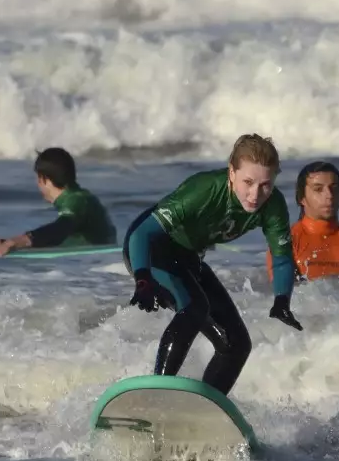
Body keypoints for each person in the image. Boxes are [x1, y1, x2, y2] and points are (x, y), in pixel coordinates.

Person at [123, 133, 303, 396]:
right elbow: (142, 234)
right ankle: (157, 395)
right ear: (232, 173)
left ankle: (205, 409)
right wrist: (143, 278)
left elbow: (283, 257)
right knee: (195, 308)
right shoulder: (204, 189)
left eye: (265, 185)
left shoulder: (273, 205)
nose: (255, 194)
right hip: (151, 249)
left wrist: (282, 300)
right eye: (248, 182)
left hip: (188, 257)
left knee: (236, 344)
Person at [0, 147, 117, 257]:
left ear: (43, 179)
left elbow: (57, 230)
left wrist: (11, 244)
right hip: (97, 267)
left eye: (38, 179)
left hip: (97, 268)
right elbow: (50, 239)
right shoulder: (79, 199)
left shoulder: (77, 201)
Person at [267, 161, 339, 281]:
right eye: (318, 189)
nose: (329, 195)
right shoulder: (284, 242)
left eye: (334, 188)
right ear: (302, 198)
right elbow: (282, 292)